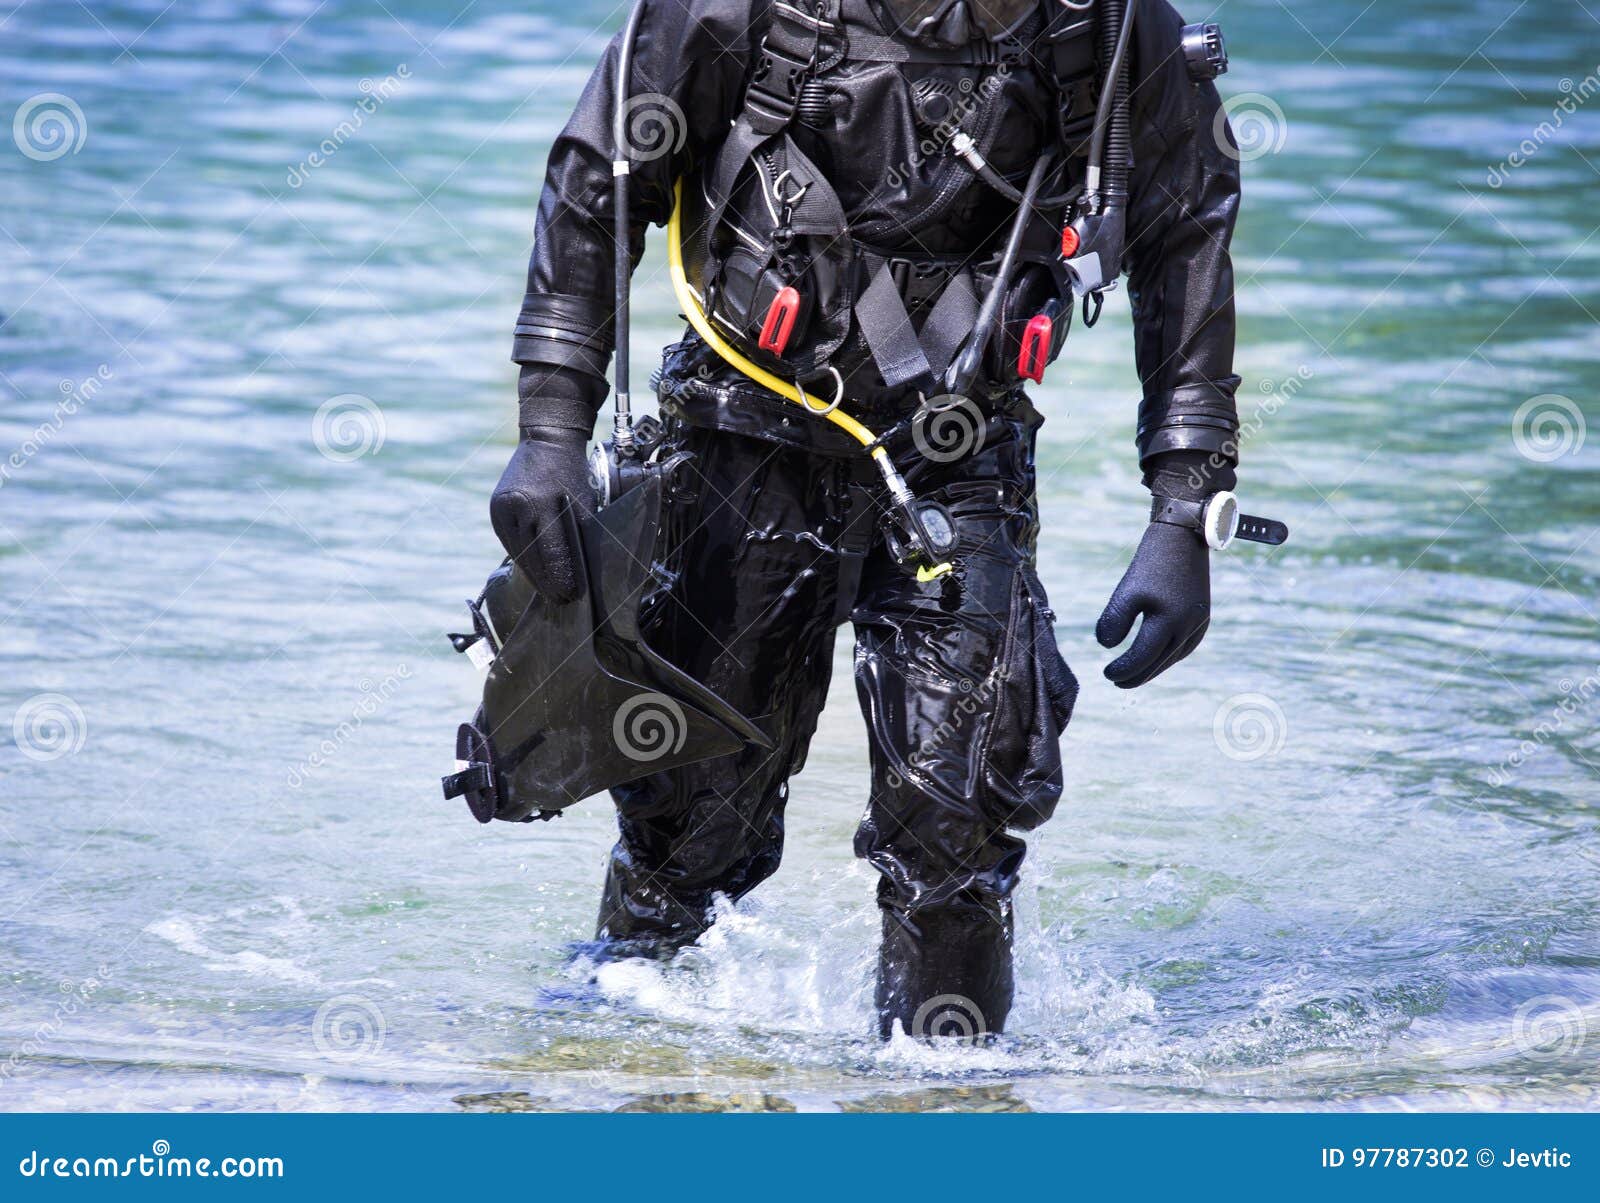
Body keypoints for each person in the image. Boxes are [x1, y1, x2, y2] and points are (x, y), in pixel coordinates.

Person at [489, 0, 1252, 1040]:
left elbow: (1187, 229)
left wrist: (1185, 504)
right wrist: (548, 427)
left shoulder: (1110, 27)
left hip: (959, 455)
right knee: (690, 830)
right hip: (735, 436)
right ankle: (606, 1076)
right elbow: (595, 183)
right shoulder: (735, 9)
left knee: (960, 823)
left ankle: (950, 1115)